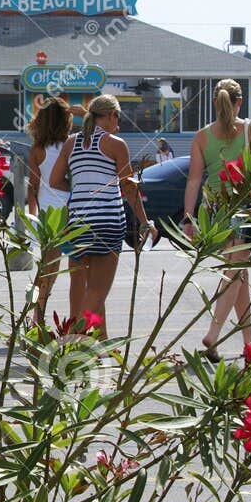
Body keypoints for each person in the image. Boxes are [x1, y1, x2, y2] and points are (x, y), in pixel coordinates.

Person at [182, 79, 251, 361]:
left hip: (215, 210)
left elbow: (194, 180)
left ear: (216, 103)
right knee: (235, 270)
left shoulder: (202, 136)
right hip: (246, 208)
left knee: (238, 272)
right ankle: (213, 333)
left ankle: (248, 341)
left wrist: (188, 219)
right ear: (239, 102)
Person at [48, 94, 155, 333]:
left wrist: (81, 190)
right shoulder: (116, 144)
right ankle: (74, 340)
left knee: (87, 289)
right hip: (107, 222)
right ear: (108, 116)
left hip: (76, 222)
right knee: (97, 291)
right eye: (118, 116)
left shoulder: (70, 143)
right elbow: (128, 188)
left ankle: (102, 341)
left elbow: (54, 180)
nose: (119, 121)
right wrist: (145, 222)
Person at [25, 98, 73, 326]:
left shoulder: (37, 150)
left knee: (46, 269)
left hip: (47, 212)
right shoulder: (71, 145)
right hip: (70, 209)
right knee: (54, 271)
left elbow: (33, 187)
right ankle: (37, 318)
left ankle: (36, 315)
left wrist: (31, 219)